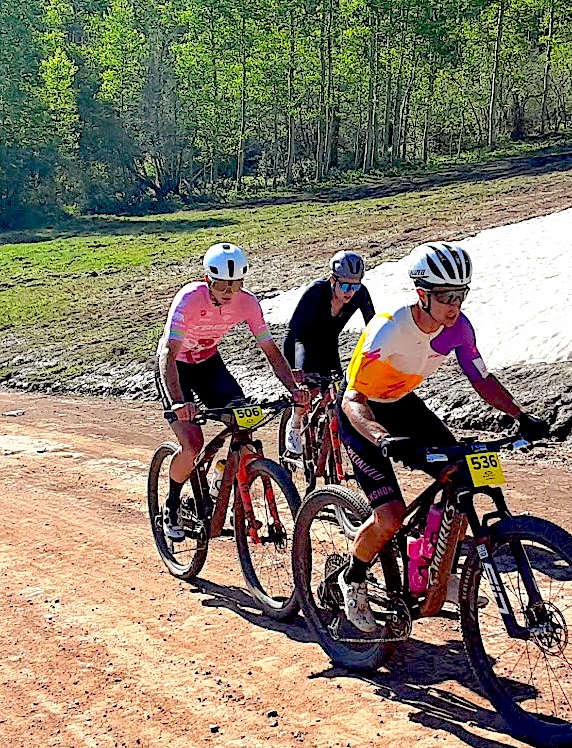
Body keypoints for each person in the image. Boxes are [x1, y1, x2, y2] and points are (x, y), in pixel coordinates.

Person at [333, 241, 549, 631]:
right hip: (362, 415)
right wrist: (382, 438)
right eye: (447, 296)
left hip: (401, 404)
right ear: (422, 295)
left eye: (461, 295)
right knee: (391, 516)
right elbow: (352, 398)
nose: (455, 305)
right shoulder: (388, 328)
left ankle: (437, 570)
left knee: (464, 475)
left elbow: (481, 379)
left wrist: (521, 415)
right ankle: (353, 577)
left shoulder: (459, 329)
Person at [157, 243, 309, 542]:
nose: (229, 291)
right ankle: (172, 505)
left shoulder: (248, 303)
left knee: (245, 423)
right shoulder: (189, 298)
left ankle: (218, 482)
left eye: (235, 284)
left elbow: (269, 349)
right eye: (222, 284)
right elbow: (168, 353)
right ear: (207, 279)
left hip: (209, 365)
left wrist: (293, 388)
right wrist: (178, 401)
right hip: (177, 367)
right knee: (192, 444)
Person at [280, 251, 374, 457]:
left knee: (341, 391)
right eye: (346, 286)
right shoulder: (316, 292)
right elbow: (294, 332)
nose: (351, 292)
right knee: (309, 389)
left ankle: (327, 420)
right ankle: (295, 425)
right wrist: (298, 372)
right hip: (301, 343)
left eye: (355, 285)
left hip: (328, 344)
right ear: (333, 280)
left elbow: (373, 328)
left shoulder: (360, 293)